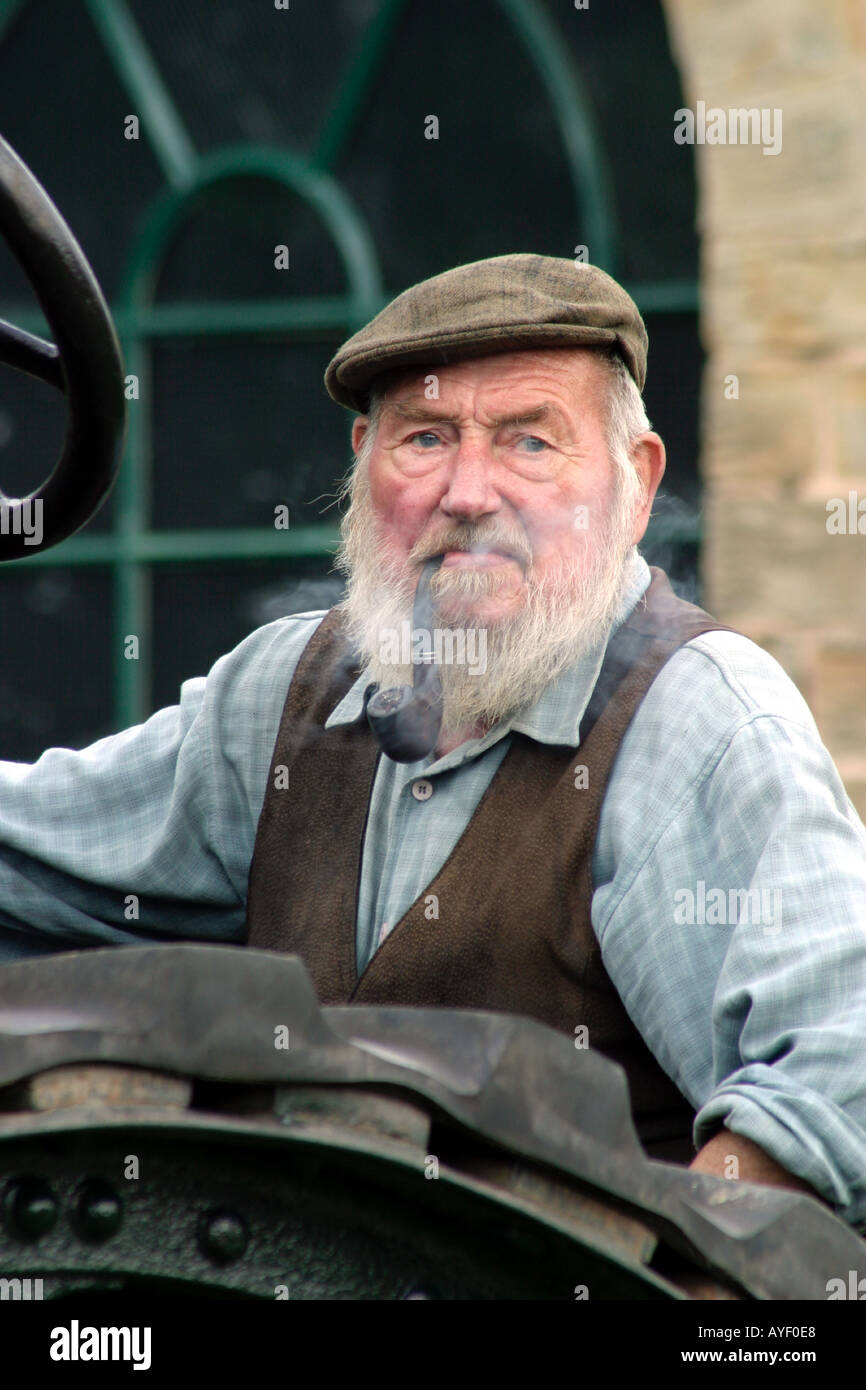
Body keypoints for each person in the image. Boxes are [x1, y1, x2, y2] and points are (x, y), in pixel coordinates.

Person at [1, 254, 864, 1231]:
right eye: (424, 438)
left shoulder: (694, 718)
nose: (466, 491)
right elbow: (27, 858)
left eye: (528, 442)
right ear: (364, 464)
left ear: (633, 485)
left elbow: (838, 1082)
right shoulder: (285, 696)